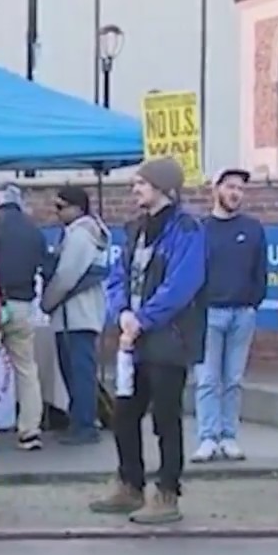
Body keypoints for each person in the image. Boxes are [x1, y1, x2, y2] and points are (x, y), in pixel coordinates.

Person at [90, 158, 207, 525]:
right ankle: (130, 482)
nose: (135, 189)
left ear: (162, 187)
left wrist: (143, 319)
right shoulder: (135, 229)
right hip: (134, 339)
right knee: (125, 414)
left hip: (169, 340)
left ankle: (167, 492)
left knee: (166, 418)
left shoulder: (187, 229)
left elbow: (182, 284)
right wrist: (122, 312)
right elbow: (117, 276)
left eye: (141, 183)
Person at [193, 167, 264, 462]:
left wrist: (252, 302)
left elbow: (260, 271)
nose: (236, 193)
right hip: (208, 313)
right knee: (208, 379)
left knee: (233, 379)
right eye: (230, 187)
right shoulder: (200, 229)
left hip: (242, 313)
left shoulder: (253, 228)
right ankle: (208, 437)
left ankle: (229, 436)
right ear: (216, 189)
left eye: (240, 189)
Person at [0, 183, 48, 450]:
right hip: (23, 304)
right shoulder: (34, 232)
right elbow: (44, 265)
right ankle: (30, 430)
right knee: (27, 369)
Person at [40, 186, 110, 446]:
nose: (57, 213)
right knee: (78, 370)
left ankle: (84, 424)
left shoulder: (80, 235)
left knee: (78, 371)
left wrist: (47, 302)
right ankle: (82, 421)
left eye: (61, 207)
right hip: (80, 314)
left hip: (75, 316)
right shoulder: (87, 233)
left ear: (77, 208)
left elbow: (66, 276)